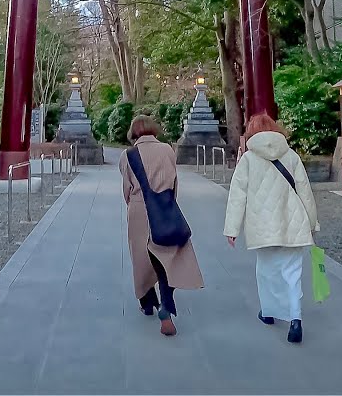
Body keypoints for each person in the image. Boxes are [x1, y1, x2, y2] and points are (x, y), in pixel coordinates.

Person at [223, 113, 320, 344]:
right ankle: (295, 319)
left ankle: (268, 312)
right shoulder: (291, 155)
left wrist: (232, 228)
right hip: (293, 223)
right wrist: (312, 223)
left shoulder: (248, 159)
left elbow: (237, 196)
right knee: (292, 274)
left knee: (267, 273)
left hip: (262, 225)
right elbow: (305, 192)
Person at [120, 115, 204, 337]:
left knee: (142, 260)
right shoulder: (167, 149)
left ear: (133, 132)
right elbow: (174, 181)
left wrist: (134, 203)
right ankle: (166, 306)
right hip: (165, 206)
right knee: (167, 258)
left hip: (139, 210)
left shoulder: (128, 155)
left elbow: (127, 189)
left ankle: (148, 303)